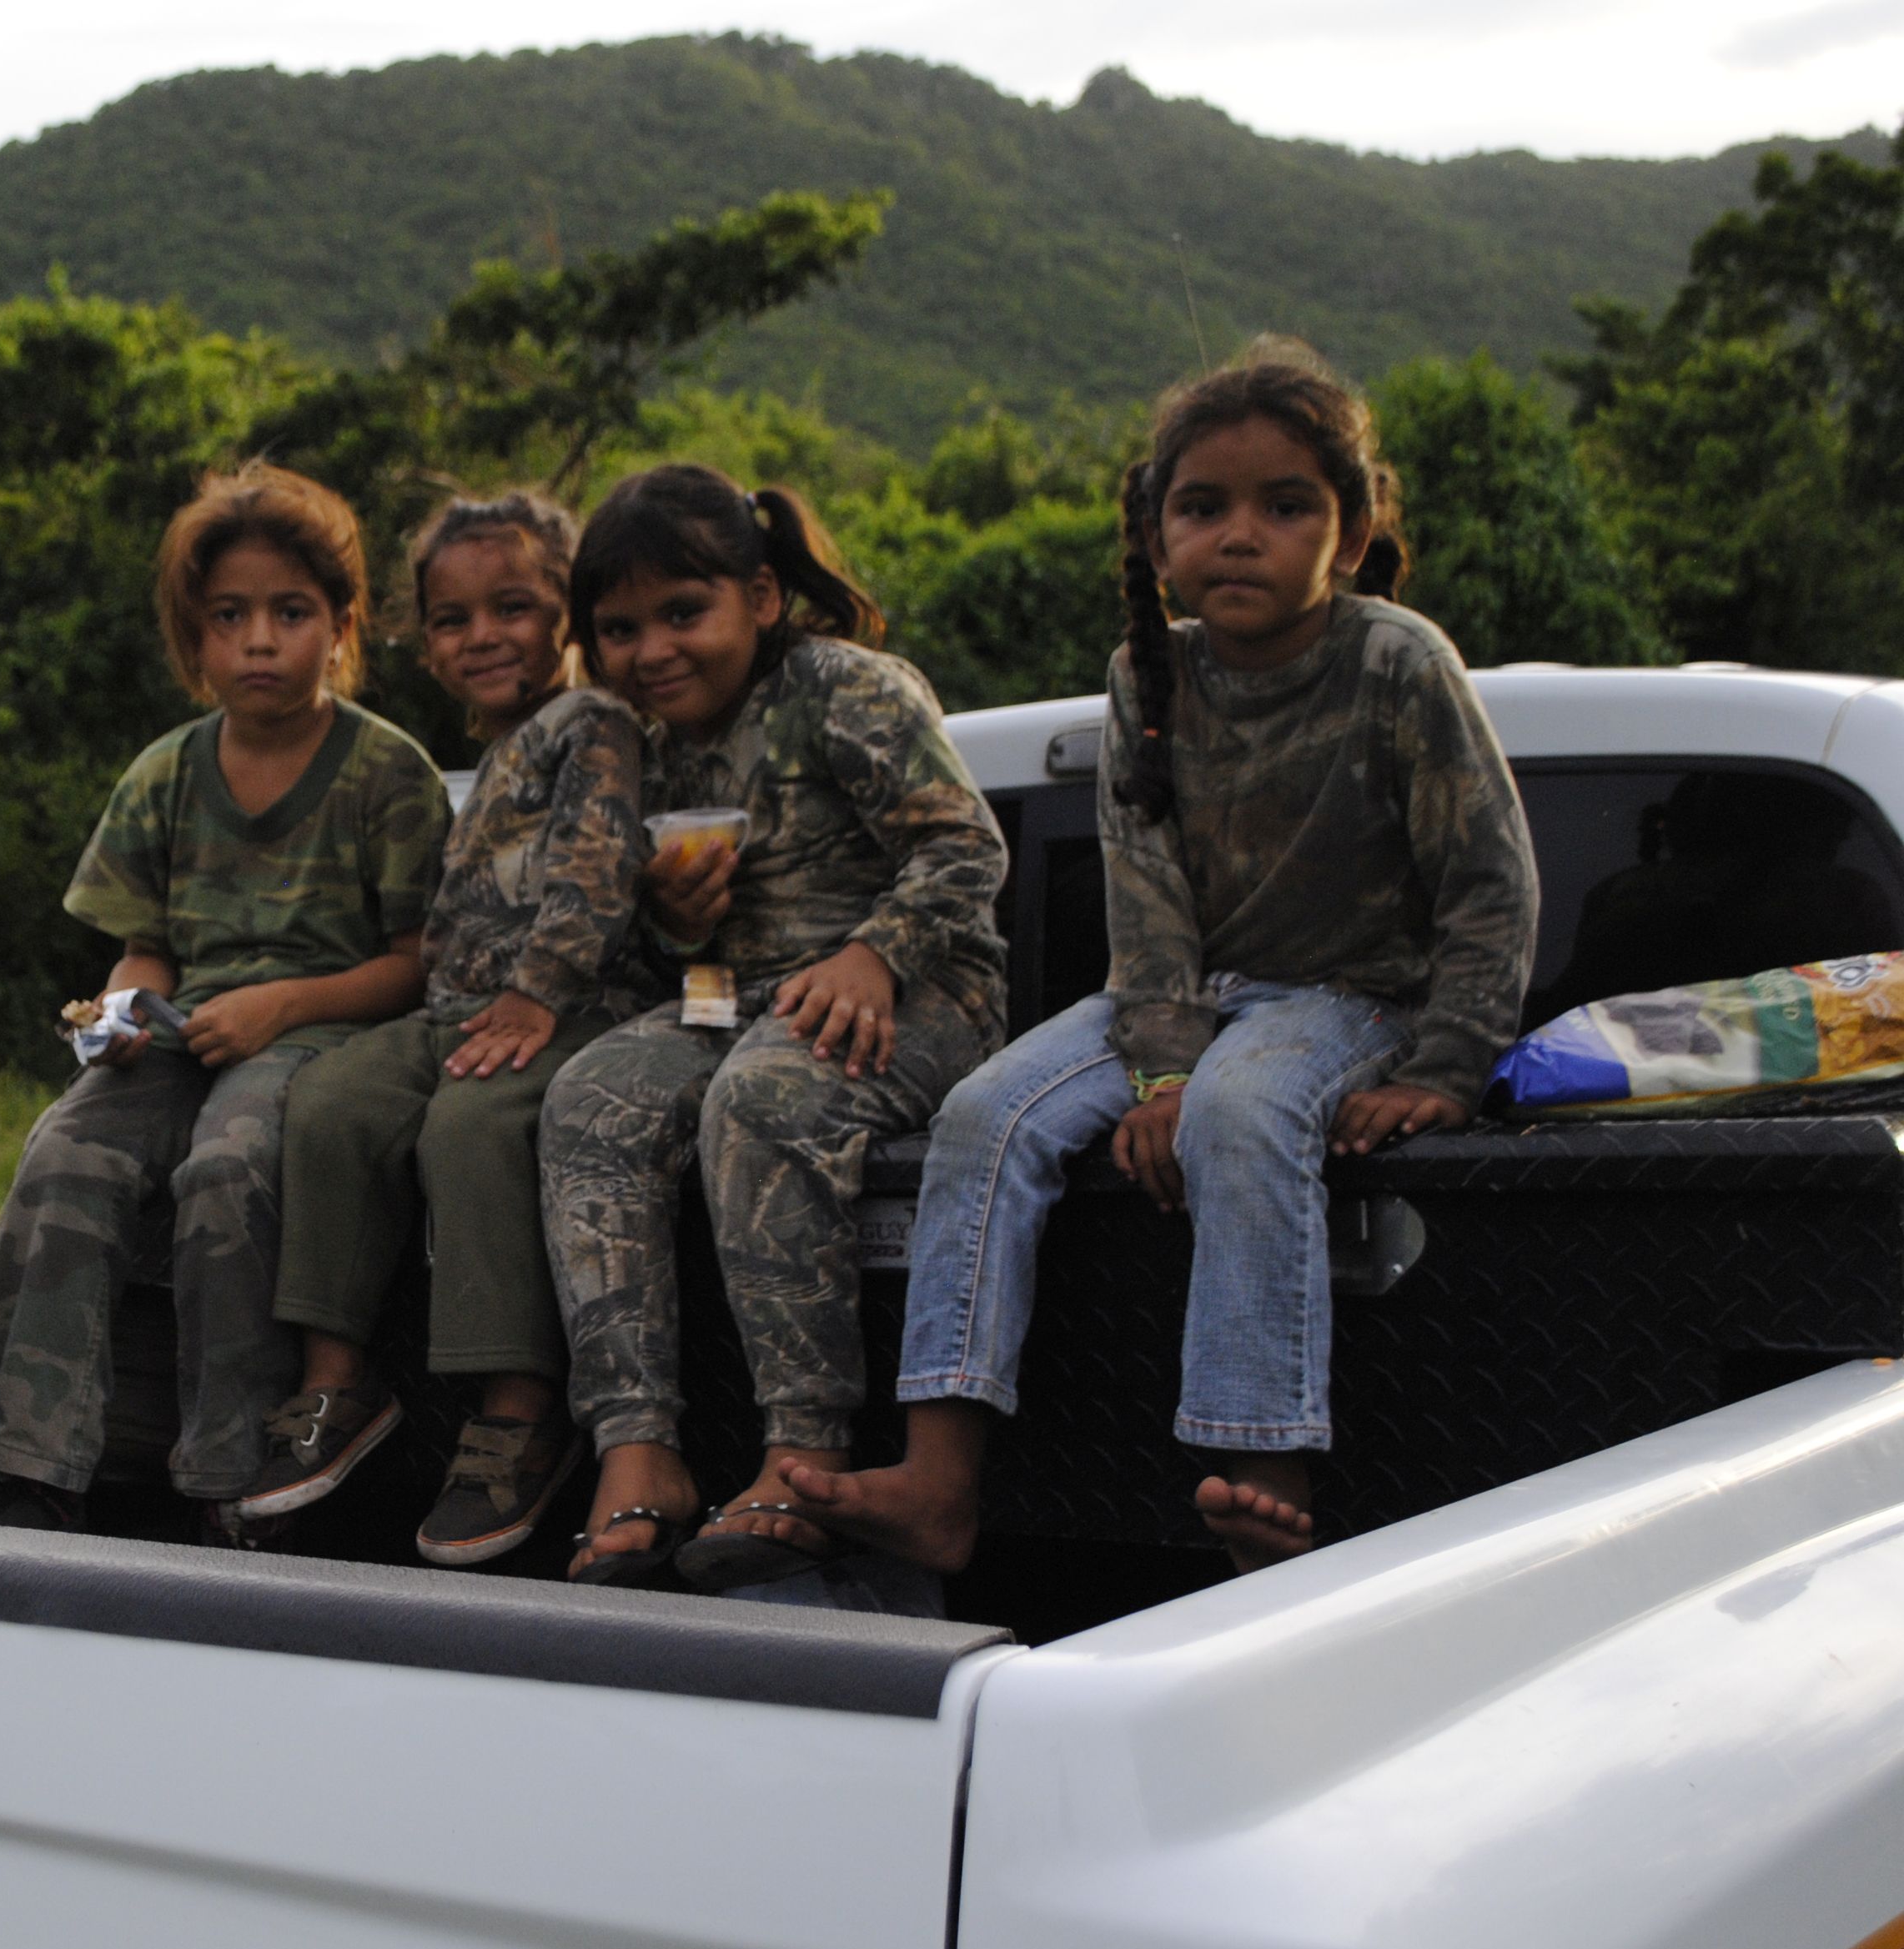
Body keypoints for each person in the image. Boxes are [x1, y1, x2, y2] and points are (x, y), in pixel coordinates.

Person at [798, 337, 1540, 1575]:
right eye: (1203, 508)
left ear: (1348, 538)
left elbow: (1489, 880)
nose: (1239, 534)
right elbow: (1142, 910)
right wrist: (1158, 1073)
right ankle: (939, 1475)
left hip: (1351, 996)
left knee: (1240, 1117)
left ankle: (1263, 1467)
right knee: (982, 1115)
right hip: (1179, 999)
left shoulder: (1397, 663)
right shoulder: (1149, 676)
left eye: (1284, 505)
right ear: (1155, 539)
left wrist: (1451, 1064)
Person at [0, 464, 453, 1530]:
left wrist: (281, 1007)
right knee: (63, 1158)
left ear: (340, 625)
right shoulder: (168, 772)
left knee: (228, 1171)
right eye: (228, 618)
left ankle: (229, 1473)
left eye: (288, 613)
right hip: (190, 1031)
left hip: (321, 1034)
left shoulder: (383, 774)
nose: (258, 642)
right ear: (194, 635)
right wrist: (123, 1014)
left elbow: (415, 962)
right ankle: (24, 1464)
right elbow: (147, 948)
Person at [539, 465, 1009, 1590]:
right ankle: (638, 1448)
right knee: (590, 1099)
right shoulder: (650, 740)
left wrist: (874, 953)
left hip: (921, 989)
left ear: (759, 595)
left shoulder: (846, 688)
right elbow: (697, 961)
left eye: (682, 613)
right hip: (739, 996)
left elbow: (967, 850)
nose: (654, 650)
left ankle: (804, 1457)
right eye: (620, 629)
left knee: (763, 1095)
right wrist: (675, 923)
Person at [236, 492, 655, 1564]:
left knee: (470, 1129)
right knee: (329, 1103)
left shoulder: (593, 722)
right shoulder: (490, 753)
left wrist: (540, 988)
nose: (481, 638)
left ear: (568, 611)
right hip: (458, 1013)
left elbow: (598, 870)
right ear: (423, 639)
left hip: (572, 1009)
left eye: (512, 608)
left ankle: (516, 1414)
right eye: (453, 619)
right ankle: (339, 1387)